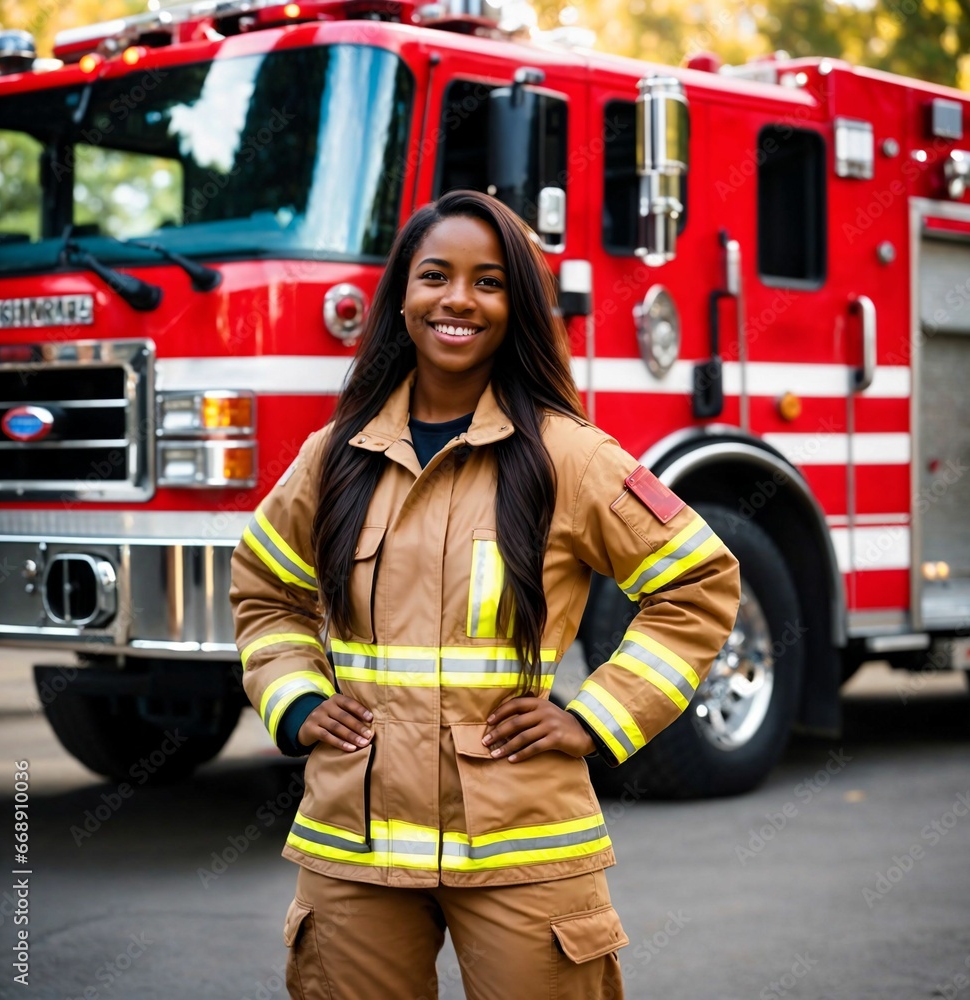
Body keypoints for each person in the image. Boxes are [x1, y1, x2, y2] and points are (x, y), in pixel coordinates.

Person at [229, 190, 741, 1000]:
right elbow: (265, 590)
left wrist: (594, 718)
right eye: (436, 276)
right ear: (403, 295)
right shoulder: (337, 456)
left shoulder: (570, 456)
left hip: (521, 840)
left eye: (489, 282)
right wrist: (294, 699)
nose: (458, 300)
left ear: (519, 307)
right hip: (353, 843)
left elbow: (699, 582)